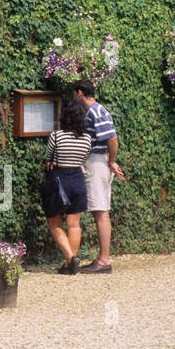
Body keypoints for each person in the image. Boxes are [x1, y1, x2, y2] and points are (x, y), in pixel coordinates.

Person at [73, 79, 123, 273]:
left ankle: (104, 260)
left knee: (100, 211)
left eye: (73, 94)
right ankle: (102, 259)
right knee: (99, 210)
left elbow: (112, 137)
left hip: (97, 163)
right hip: (98, 162)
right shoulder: (95, 111)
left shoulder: (95, 111)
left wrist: (111, 160)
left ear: (79, 93)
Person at [42, 98, 91, 274]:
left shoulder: (56, 135)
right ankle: (70, 264)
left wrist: (52, 161)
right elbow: (83, 159)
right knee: (74, 224)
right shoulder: (87, 138)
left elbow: (48, 158)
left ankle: (71, 258)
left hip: (59, 180)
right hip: (78, 180)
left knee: (54, 224)